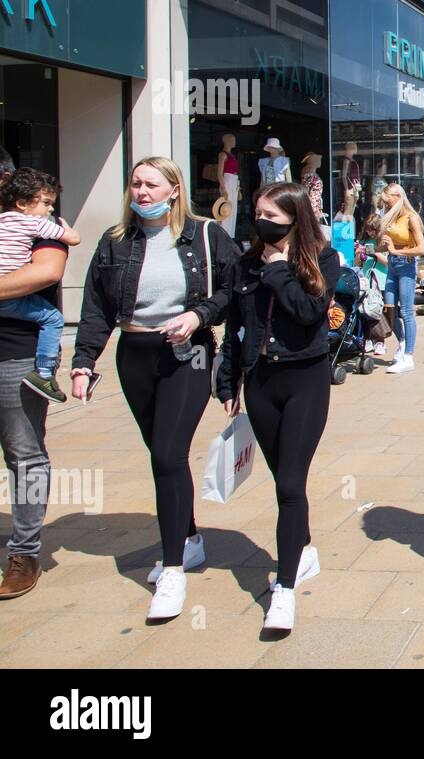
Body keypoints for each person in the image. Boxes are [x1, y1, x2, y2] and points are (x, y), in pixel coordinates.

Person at [73, 157, 240, 620]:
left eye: (151, 184)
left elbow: (234, 290)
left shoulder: (205, 235)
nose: (141, 192)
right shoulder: (115, 241)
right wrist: (83, 362)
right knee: (163, 455)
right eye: (135, 184)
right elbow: (95, 307)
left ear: (174, 190)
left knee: (167, 454)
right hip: (135, 354)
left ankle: (172, 570)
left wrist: (198, 316)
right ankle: (189, 539)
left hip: (188, 354)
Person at [216, 182, 339, 632]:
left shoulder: (323, 260)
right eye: (258, 212)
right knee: (283, 479)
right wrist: (228, 380)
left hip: (306, 379)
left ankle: (284, 588)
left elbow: (308, 313)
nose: (261, 221)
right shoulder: (244, 263)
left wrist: (278, 271)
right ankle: (302, 548)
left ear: (294, 218)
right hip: (260, 381)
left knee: (289, 482)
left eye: (271, 214)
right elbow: (235, 327)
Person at [0, 208, 68, 600]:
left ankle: (24, 554)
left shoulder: (37, 222)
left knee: (24, 456)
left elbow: (44, 273)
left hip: (16, 356)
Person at [0, 169, 81, 401]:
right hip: (13, 302)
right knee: (53, 319)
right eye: (46, 203)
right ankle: (44, 373)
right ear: (22, 203)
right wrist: (66, 229)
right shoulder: (34, 224)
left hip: (13, 339)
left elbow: (48, 271)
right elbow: (74, 239)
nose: (51, 209)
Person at [376, 183, 424, 375]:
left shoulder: (411, 217)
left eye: (387, 202)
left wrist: (395, 251)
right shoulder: (392, 217)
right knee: (389, 309)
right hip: (392, 265)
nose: (385, 205)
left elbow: (421, 249)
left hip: (406, 265)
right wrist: (372, 248)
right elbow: (388, 245)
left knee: (406, 311)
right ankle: (403, 342)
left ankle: (408, 356)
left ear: (398, 197)